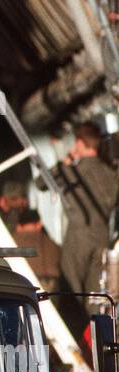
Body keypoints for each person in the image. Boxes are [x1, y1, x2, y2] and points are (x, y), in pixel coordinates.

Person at [56, 122, 117, 297]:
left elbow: (41, 183)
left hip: (78, 236)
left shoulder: (74, 171)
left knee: (71, 291)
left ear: (80, 143)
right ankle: (94, 324)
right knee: (95, 295)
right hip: (102, 236)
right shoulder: (111, 173)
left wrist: (67, 161)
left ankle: (73, 324)